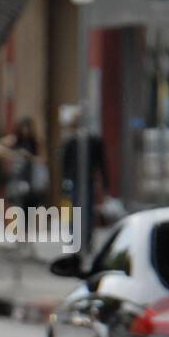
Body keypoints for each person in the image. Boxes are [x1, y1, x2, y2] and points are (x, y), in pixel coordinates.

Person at [58, 105, 109, 255]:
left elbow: (101, 163)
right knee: (73, 211)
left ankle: (86, 240)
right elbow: (65, 164)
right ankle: (75, 239)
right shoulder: (71, 142)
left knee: (87, 212)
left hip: (87, 182)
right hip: (74, 181)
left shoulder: (93, 141)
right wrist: (65, 182)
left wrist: (105, 184)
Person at [0, 116, 46, 207]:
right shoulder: (14, 139)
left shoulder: (35, 141)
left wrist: (28, 157)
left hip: (32, 182)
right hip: (17, 181)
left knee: (31, 211)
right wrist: (14, 154)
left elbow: (41, 160)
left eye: (28, 128)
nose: (25, 131)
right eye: (23, 127)